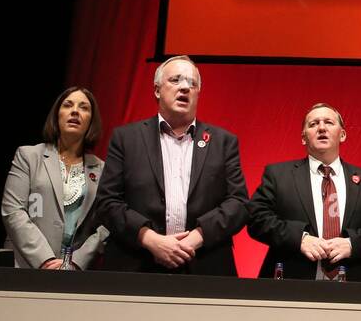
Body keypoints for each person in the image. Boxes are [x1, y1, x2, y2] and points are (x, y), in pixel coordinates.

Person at [94, 56, 249, 275]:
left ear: (198, 93)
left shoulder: (223, 142)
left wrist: (196, 238)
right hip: (135, 265)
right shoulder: (126, 138)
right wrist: (149, 239)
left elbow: (239, 203)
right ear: (157, 90)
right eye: (175, 80)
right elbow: (107, 202)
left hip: (204, 266)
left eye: (192, 83)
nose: (185, 87)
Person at [247, 103, 361, 281]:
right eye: (313, 124)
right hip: (289, 284)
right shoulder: (278, 175)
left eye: (329, 122)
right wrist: (298, 239)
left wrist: (352, 243)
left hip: (352, 285)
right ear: (303, 137)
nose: (321, 127)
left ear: (343, 135)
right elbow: (256, 219)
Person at [0, 86, 110, 269]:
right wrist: (45, 260)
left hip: (74, 273)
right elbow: (13, 211)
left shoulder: (102, 169)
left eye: (84, 107)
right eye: (68, 105)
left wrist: (76, 262)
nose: (75, 111)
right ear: (57, 114)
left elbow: (106, 225)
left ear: (91, 121)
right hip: (25, 266)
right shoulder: (29, 156)